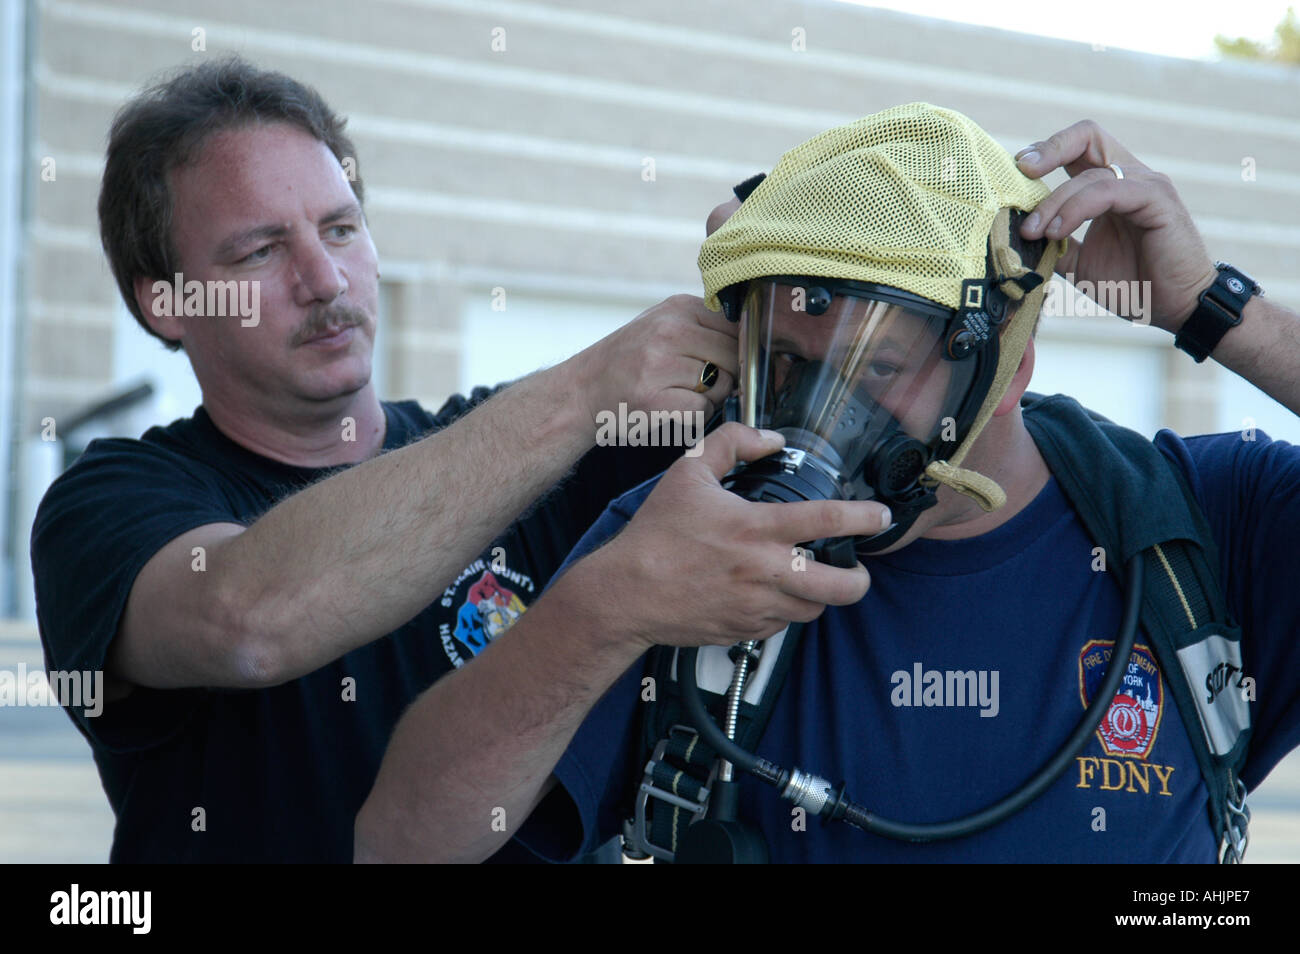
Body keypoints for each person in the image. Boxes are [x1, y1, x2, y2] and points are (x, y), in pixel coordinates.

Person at [355, 103, 1300, 863]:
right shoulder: (684, 543)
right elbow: (401, 843)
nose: (821, 419)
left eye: (877, 371)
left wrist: (1218, 311)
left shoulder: (1198, 529)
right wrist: (601, 611)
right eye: (789, 363)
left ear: (1008, 367)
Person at [28, 55, 759, 862]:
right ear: (163, 303)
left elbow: (811, 433)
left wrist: (777, 273)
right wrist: (582, 390)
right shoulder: (106, 502)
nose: (324, 277)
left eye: (341, 228)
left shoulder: (551, 449)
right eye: (259, 252)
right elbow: (249, 620)